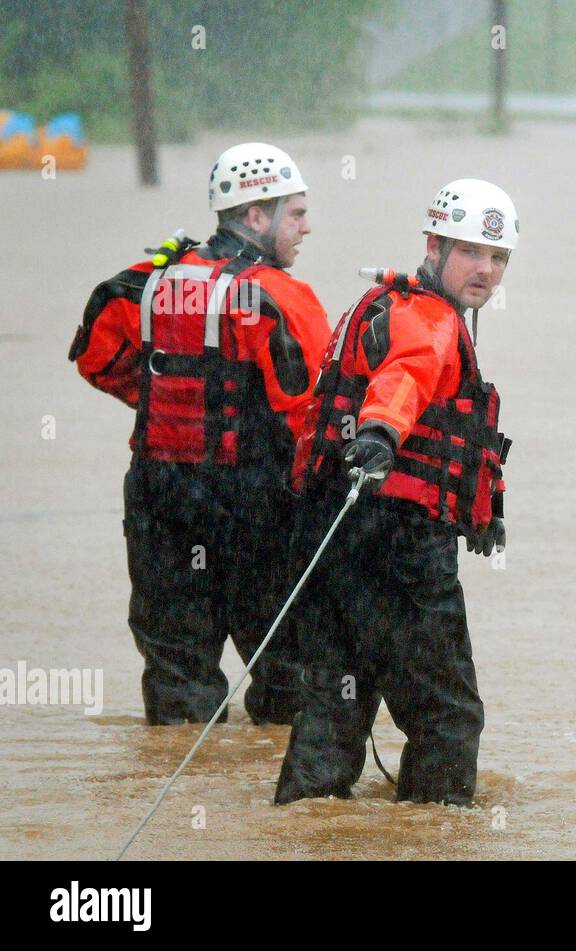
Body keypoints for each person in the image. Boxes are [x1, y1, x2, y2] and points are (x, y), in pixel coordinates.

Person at [68, 142, 331, 725]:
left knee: (176, 671)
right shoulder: (283, 297)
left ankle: (176, 778)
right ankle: (278, 804)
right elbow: (314, 412)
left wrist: (168, 401)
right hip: (255, 509)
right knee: (289, 670)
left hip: (158, 501)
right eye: (296, 213)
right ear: (256, 216)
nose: (308, 226)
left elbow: (93, 358)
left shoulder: (146, 281)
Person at [274, 178, 516, 806]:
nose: (486, 270)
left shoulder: (377, 304)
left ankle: (302, 831)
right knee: (448, 716)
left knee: (334, 707)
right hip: (399, 544)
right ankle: (435, 838)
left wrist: (477, 508)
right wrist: (382, 434)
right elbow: (404, 378)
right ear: (433, 246)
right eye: (470, 253)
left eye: (498, 258)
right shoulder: (427, 320)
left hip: (334, 531)